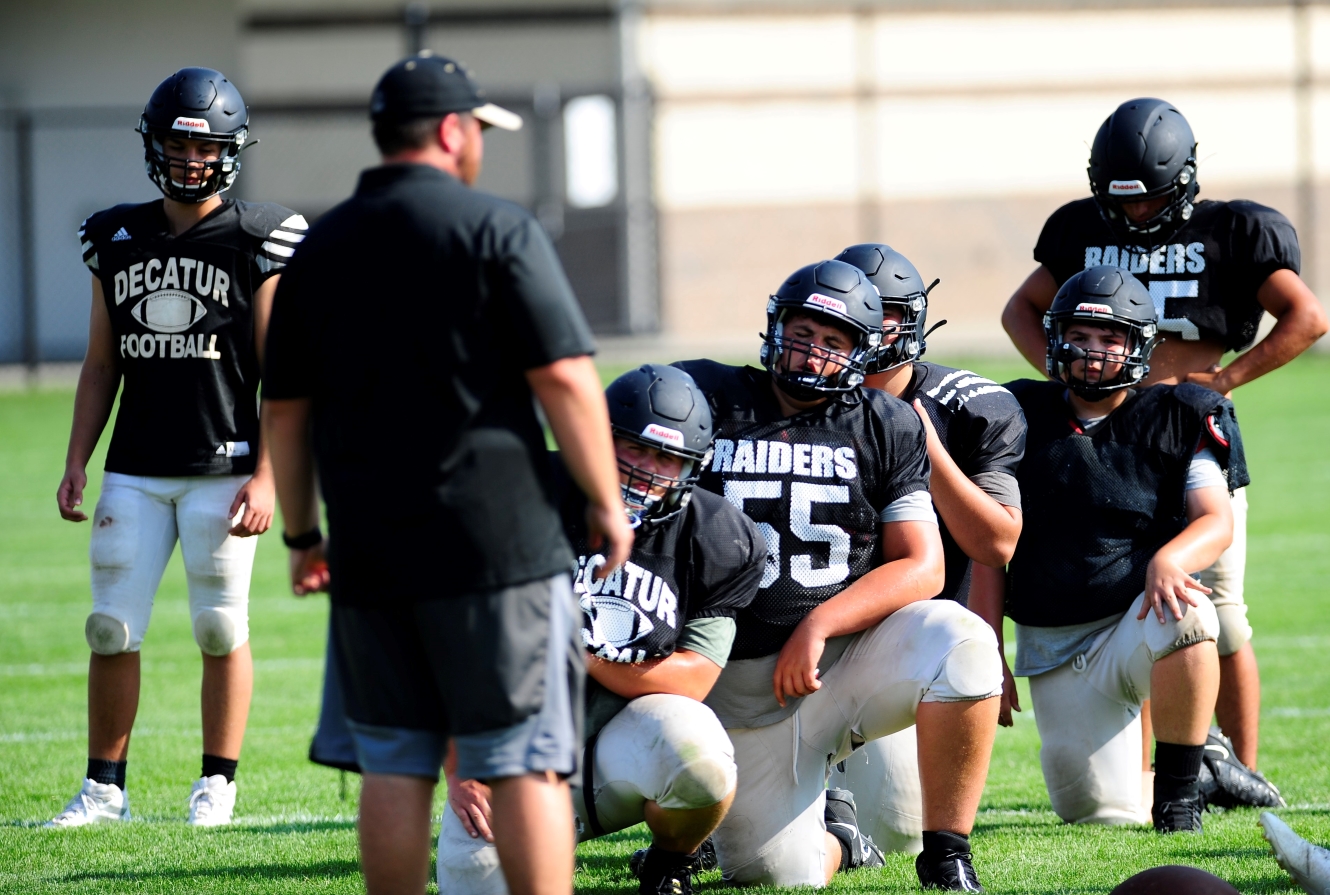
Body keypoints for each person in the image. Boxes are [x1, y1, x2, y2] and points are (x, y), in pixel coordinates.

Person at [262, 54, 632, 895]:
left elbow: (283, 410)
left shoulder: (318, 245)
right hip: (497, 545)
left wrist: (303, 534)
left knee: (395, 759)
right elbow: (567, 377)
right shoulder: (497, 228)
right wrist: (608, 501)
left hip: (370, 546)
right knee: (523, 763)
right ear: (452, 130)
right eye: (478, 134)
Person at [1001, 97, 1329, 775]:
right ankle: (1151, 769)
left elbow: (1307, 316)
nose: (1138, 215)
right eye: (1125, 201)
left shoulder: (1234, 230)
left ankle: (1240, 766)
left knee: (1221, 613)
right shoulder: (1078, 229)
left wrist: (1226, 378)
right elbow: (1021, 309)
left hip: (1187, 436)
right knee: (1132, 608)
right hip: (1108, 447)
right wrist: (1070, 380)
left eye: (1151, 200)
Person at [674, 259, 1003, 891]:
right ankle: (820, 836)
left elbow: (923, 564)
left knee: (963, 642)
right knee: (779, 877)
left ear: (861, 352)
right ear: (775, 329)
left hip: (837, 665)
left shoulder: (885, 421)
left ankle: (947, 852)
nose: (812, 351)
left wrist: (820, 624)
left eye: (833, 342)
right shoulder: (708, 398)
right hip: (729, 681)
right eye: (803, 332)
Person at [49, 67, 300, 828]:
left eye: (206, 149)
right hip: (134, 464)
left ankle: (215, 784)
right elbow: (101, 363)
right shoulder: (116, 237)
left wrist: (268, 476)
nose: (191, 162)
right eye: (177, 147)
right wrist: (75, 459)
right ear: (154, 147)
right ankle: (103, 789)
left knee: (221, 625)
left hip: (222, 467)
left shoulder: (260, 235)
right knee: (110, 625)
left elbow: (283, 374)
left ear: (230, 152)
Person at [434, 364, 766, 895]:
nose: (646, 470)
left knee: (700, 756)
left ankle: (670, 861)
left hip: (625, 740)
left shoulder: (717, 536)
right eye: (633, 448)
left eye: (667, 458)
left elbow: (692, 680)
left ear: (692, 468)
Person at [983, 265, 1256, 831]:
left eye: (1111, 339)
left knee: (1192, 612)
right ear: (1055, 338)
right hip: (1056, 643)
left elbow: (1215, 520)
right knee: (1097, 813)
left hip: (1139, 618)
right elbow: (990, 546)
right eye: (1080, 336)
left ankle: (1179, 797)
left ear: (1141, 347)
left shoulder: (1179, 412)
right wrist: (989, 646)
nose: (1094, 351)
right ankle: (1206, 763)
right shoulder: (1015, 413)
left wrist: (1170, 558)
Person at [827, 244, 1026, 855]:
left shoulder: (971, 408)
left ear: (910, 320)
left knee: (898, 836)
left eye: (881, 312)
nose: (865, 323)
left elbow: (995, 543)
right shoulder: (790, 403)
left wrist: (920, 442)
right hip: (795, 629)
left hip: (903, 640)